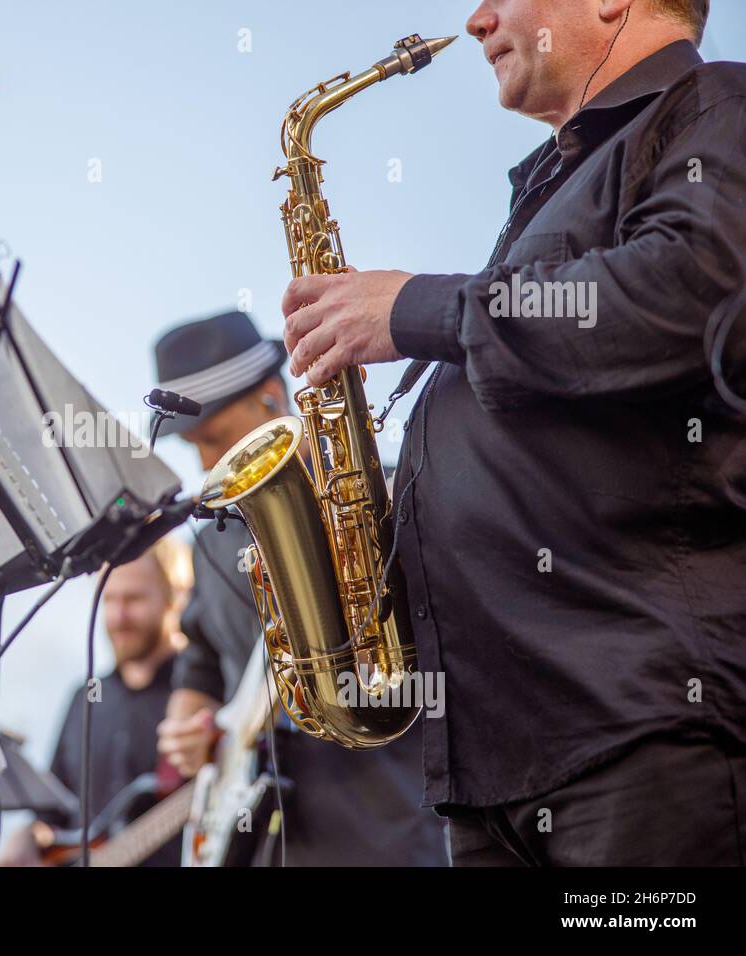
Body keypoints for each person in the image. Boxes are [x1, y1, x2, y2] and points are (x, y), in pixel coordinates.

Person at [281, 0, 745, 864]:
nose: (477, 19)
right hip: (493, 761)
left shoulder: (718, 106)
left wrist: (412, 306)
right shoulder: (553, 185)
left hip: (635, 732)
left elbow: (690, 291)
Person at [153, 310, 449, 866]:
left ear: (270, 397)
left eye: (211, 438)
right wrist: (185, 730)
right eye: (191, 444)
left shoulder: (385, 495)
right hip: (265, 840)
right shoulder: (211, 543)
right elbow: (200, 660)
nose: (204, 463)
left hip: (384, 826)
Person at [0, 540, 189, 866]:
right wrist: (28, 836)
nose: (119, 615)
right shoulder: (85, 697)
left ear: (176, 597)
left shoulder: (201, 695)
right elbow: (54, 812)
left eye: (134, 599)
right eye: (109, 599)